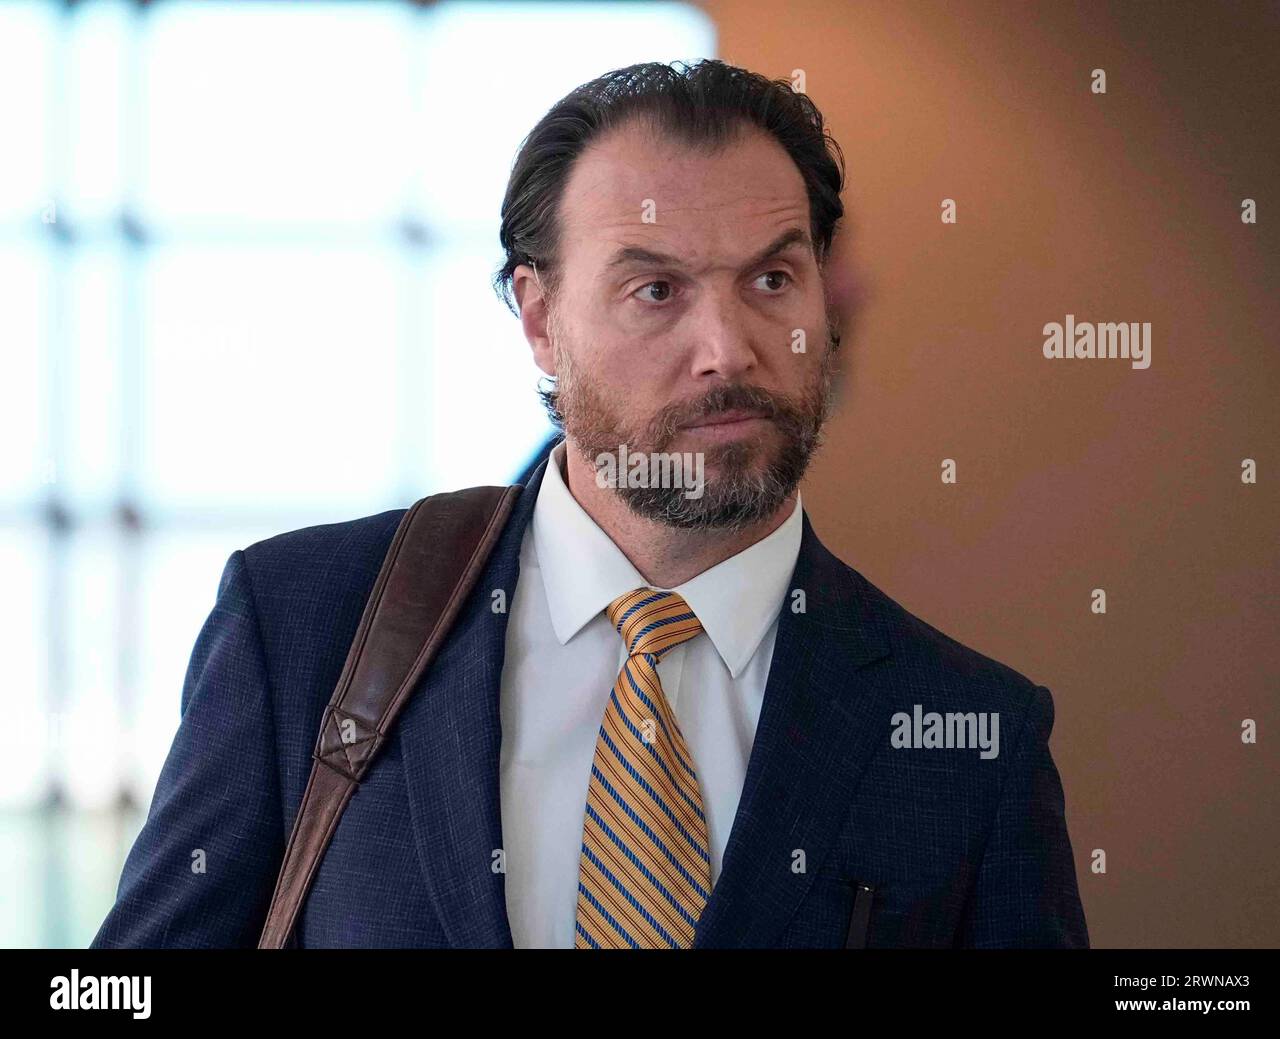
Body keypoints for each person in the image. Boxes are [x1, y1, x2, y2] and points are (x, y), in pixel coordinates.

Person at [92, 59, 1088, 949]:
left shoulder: (970, 732)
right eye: (656, 291)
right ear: (539, 320)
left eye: (772, 278)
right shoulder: (302, 625)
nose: (728, 350)